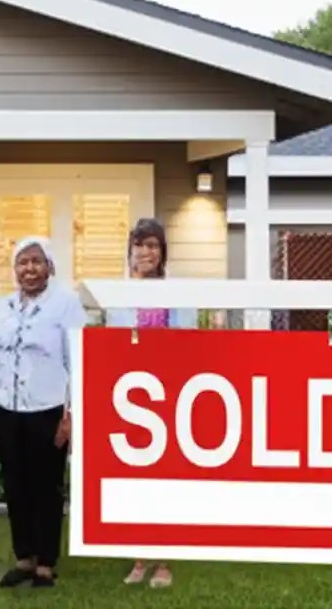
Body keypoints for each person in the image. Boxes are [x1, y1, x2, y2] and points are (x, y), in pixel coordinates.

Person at [0, 236, 86, 590]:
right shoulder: (3, 306)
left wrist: (71, 413)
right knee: (15, 483)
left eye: (36, 261)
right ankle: (23, 558)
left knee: (46, 485)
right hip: (7, 408)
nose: (29, 269)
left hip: (49, 407)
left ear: (50, 267)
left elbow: (78, 361)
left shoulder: (66, 304)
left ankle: (46, 562)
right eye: (22, 262)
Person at [106, 217, 194, 589]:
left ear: (163, 252)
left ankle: (164, 561)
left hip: (169, 392)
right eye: (140, 245)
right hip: (132, 395)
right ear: (131, 252)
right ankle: (139, 556)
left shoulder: (178, 293)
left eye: (153, 245)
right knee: (135, 477)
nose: (146, 252)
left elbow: (189, 344)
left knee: (166, 477)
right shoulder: (119, 296)